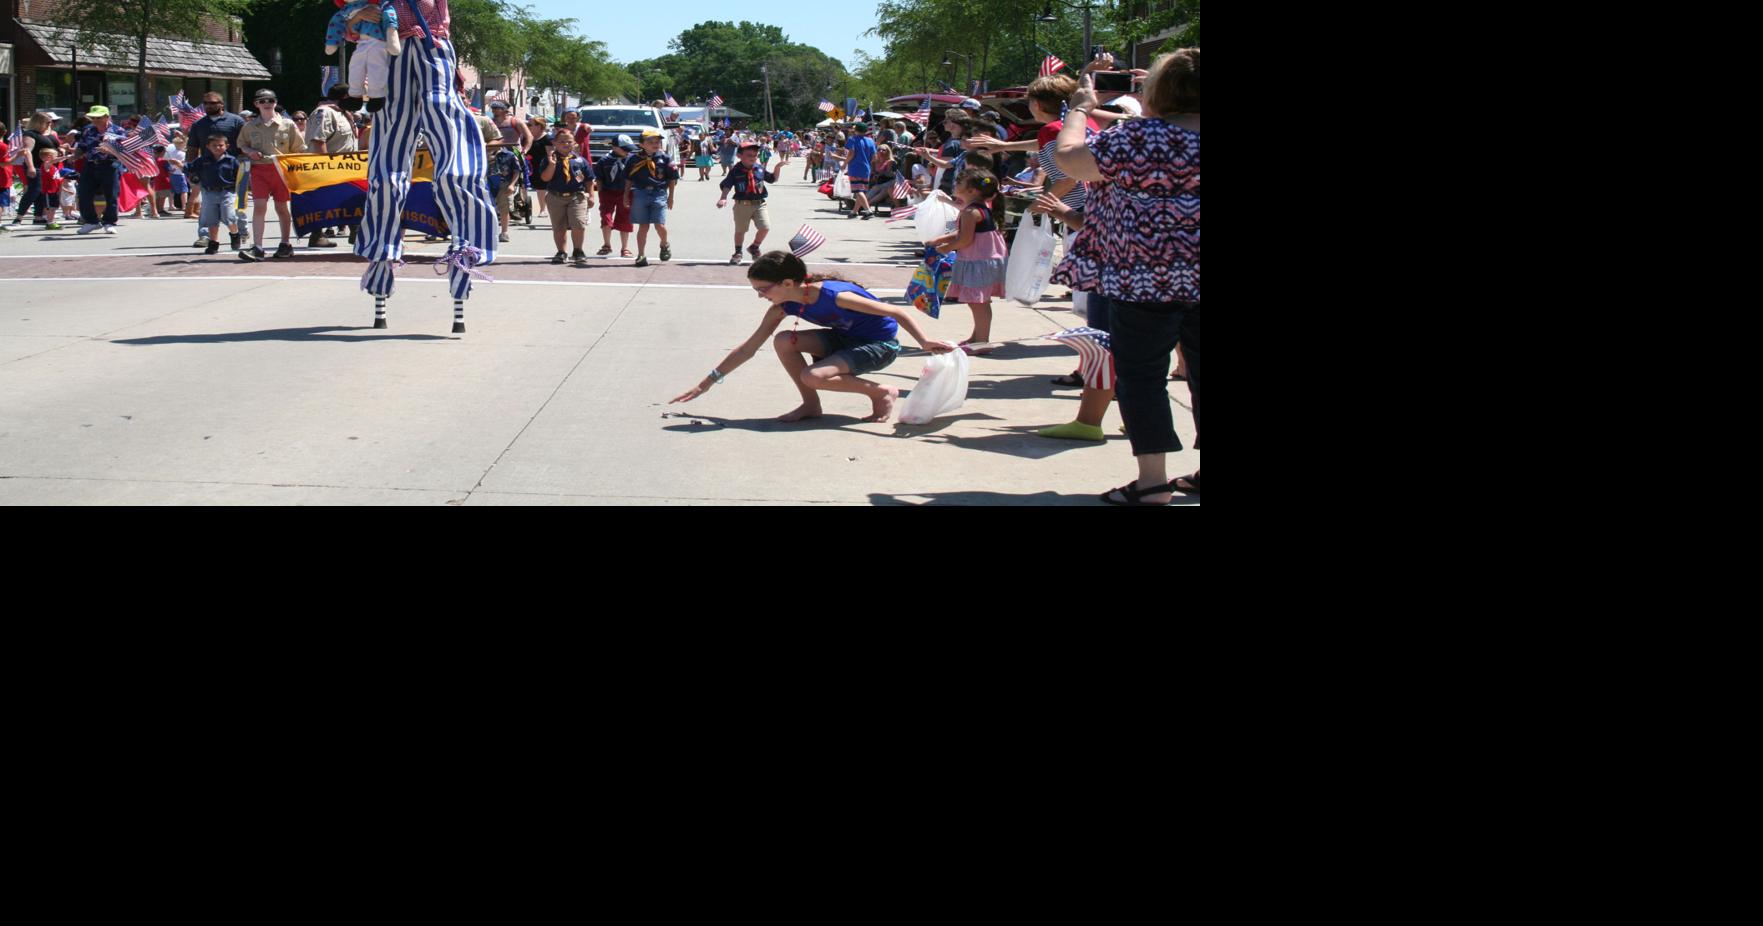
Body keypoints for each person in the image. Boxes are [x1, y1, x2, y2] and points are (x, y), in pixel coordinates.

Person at [1050, 50, 1201, 505]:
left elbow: (1069, 161)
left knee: (1141, 376)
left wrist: (1078, 108)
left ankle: (1152, 483)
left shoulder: (1138, 138)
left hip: (1143, 279)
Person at [352, 0, 501, 334]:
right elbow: (351, 21)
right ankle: (380, 258)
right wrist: (357, 17)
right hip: (392, 56)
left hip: (433, 50)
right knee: (386, 176)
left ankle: (465, 251)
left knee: (455, 170)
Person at [670, 251, 958, 423]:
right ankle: (810, 405)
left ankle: (881, 391)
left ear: (787, 283)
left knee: (813, 375)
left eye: (763, 289)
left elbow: (896, 312)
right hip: (845, 339)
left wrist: (923, 342)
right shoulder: (784, 305)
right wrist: (705, 384)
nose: (760, 295)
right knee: (783, 340)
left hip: (879, 345)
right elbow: (748, 348)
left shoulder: (836, 296)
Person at [927, 169, 1007, 352]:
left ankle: (982, 342)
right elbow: (966, 232)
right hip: (983, 260)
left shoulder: (970, 212)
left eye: (958, 183)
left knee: (978, 303)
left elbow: (965, 240)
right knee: (978, 302)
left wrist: (943, 249)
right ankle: (977, 337)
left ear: (971, 191)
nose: (955, 186)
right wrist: (942, 239)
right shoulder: (978, 208)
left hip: (977, 261)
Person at [236, 89, 306, 259]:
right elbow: (242, 144)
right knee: (259, 206)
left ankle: (285, 244)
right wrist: (250, 151)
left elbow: (299, 149)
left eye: (271, 100)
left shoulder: (288, 124)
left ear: (275, 102)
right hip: (259, 170)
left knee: (281, 207)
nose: (267, 103)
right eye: (262, 100)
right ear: (256, 104)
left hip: (281, 170)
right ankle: (258, 247)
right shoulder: (249, 126)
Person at [717, 143, 780, 265]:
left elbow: (772, 179)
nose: (753, 157)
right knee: (741, 230)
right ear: (739, 155)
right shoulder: (735, 171)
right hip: (742, 205)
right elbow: (727, 185)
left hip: (759, 204)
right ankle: (738, 252)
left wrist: (777, 168)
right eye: (749, 155)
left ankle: (754, 247)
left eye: (755, 155)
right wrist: (723, 198)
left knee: (765, 227)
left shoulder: (759, 168)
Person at [622, 128, 677, 268]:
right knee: (643, 226)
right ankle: (641, 255)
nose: (655, 144)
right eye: (650, 141)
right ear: (641, 144)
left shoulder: (664, 158)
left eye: (657, 141)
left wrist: (671, 197)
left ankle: (664, 244)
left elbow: (671, 179)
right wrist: (626, 195)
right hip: (640, 193)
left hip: (659, 193)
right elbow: (628, 179)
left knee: (660, 225)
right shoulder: (633, 159)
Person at [539, 129, 594, 267]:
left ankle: (578, 250)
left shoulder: (580, 161)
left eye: (569, 141)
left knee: (579, 224)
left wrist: (591, 195)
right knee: (559, 227)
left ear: (574, 143)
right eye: (561, 141)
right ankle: (561, 252)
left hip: (577, 196)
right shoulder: (549, 159)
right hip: (555, 196)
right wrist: (552, 164)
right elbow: (545, 178)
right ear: (555, 143)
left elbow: (588, 180)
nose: (565, 144)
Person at [74, 106, 125, 235]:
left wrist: (111, 151)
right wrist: (74, 155)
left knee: (111, 195)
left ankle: (109, 222)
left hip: (110, 165)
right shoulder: (87, 130)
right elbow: (82, 146)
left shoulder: (118, 131)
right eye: (93, 118)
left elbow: (125, 150)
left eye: (98, 118)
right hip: (90, 165)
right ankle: (91, 221)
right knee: (83, 192)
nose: (95, 120)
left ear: (107, 117)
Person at [190, 133, 243, 255]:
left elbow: (240, 176)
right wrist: (181, 167)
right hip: (209, 192)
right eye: (214, 145)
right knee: (211, 219)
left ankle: (235, 234)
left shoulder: (231, 161)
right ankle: (213, 243)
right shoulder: (202, 160)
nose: (217, 148)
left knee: (228, 216)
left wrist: (242, 189)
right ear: (208, 146)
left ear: (227, 146)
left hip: (227, 191)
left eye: (220, 145)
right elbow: (190, 169)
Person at [594, 133, 634, 257]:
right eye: (625, 149)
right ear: (615, 147)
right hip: (608, 192)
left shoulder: (632, 159)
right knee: (606, 218)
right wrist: (600, 192)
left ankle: (625, 248)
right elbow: (599, 178)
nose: (627, 152)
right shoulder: (604, 160)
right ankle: (606, 245)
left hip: (626, 193)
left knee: (625, 219)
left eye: (629, 149)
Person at [829, 121, 879, 219]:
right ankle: (854, 212)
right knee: (861, 191)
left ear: (856, 130)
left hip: (855, 168)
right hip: (866, 168)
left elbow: (851, 153)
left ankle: (868, 211)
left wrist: (845, 164)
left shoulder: (852, 139)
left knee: (858, 190)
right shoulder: (871, 141)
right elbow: (875, 157)